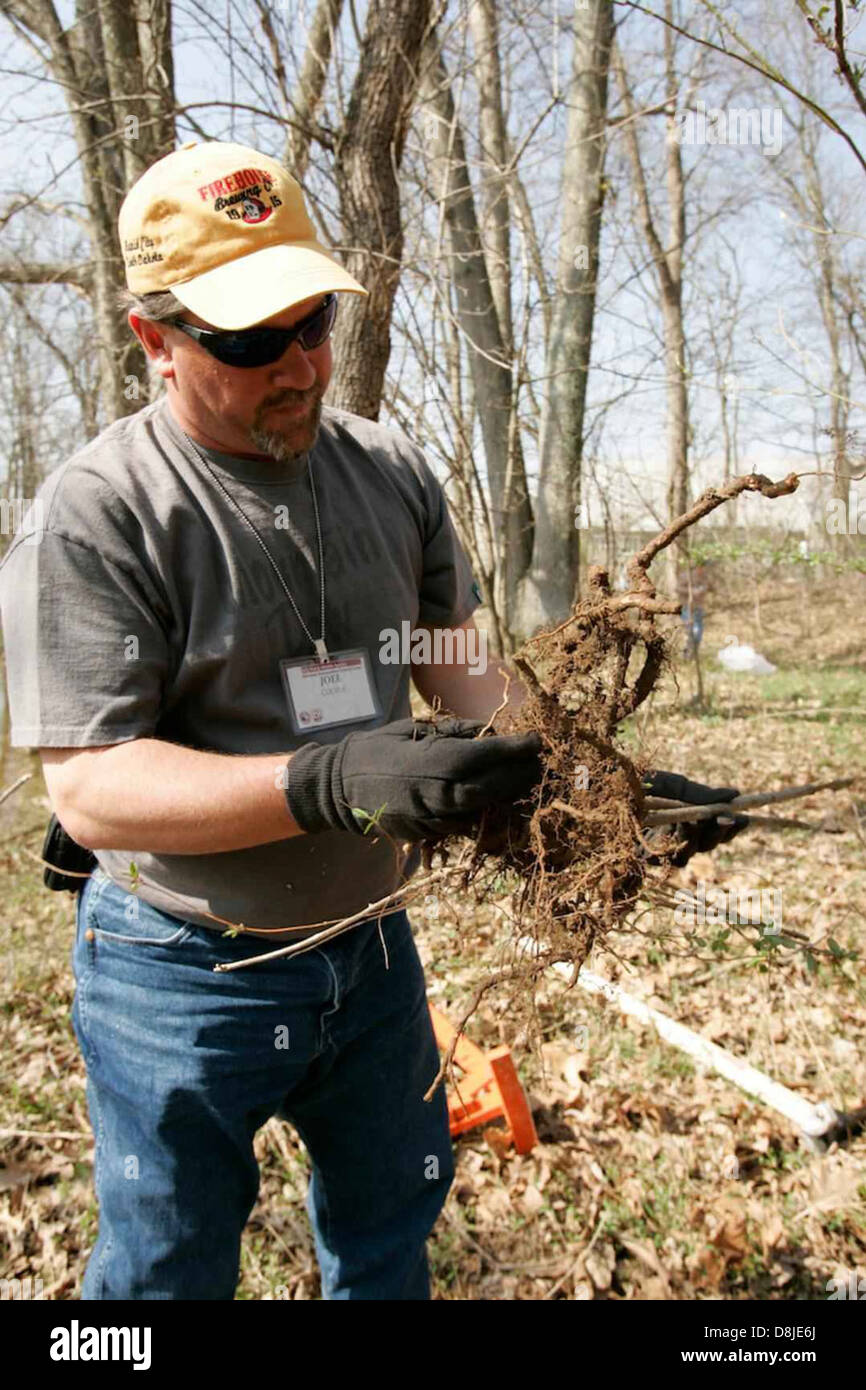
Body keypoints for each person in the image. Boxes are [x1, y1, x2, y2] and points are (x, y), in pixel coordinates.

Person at [0, 141, 745, 1301]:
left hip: (371, 951)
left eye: (312, 325)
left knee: (391, 1230)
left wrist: (604, 791)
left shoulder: (388, 471)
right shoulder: (98, 519)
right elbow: (91, 789)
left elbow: (458, 673)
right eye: (251, 342)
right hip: (183, 966)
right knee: (162, 1268)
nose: (299, 365)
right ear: (155, 340)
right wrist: (322, 776)